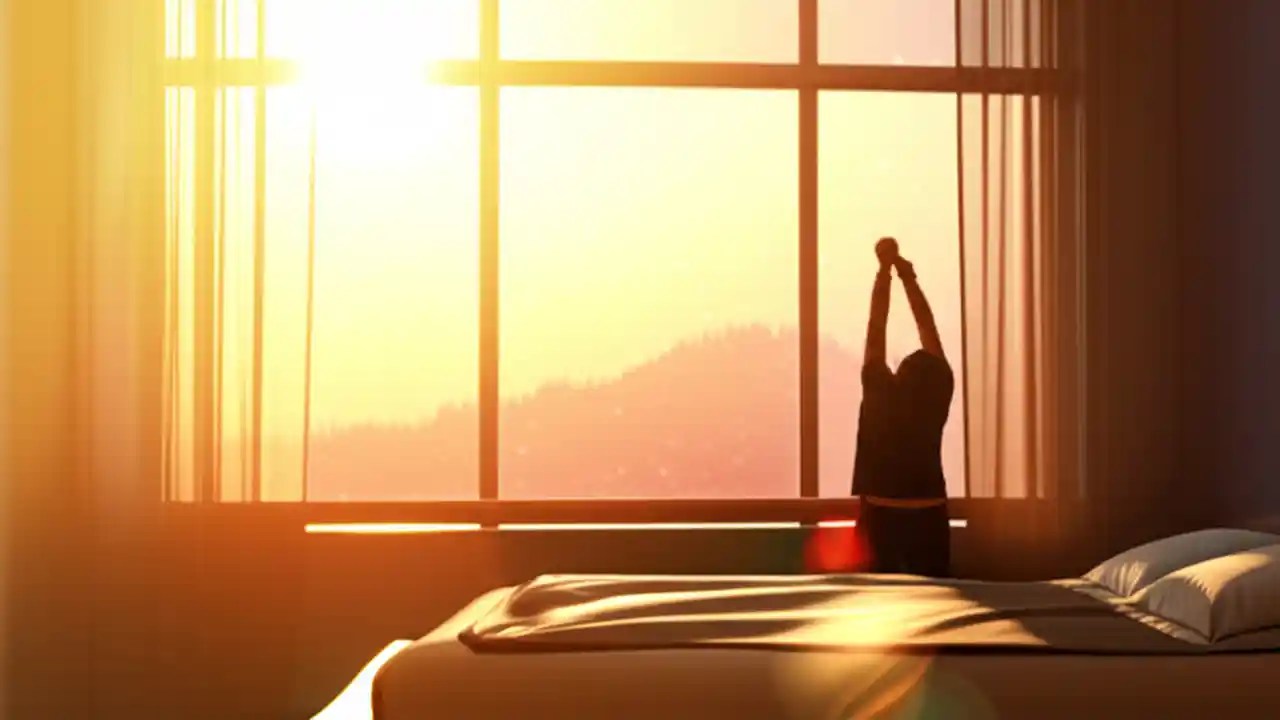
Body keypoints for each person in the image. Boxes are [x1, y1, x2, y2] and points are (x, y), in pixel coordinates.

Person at [851, 237, 955, 577]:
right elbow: (928, 328)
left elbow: (876, 327)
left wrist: (884, 272)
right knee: (936, 595)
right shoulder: (938, 390)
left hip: (881, 509)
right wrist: (907, 278)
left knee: (876, 598)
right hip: (929, 507)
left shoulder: (879, 390)